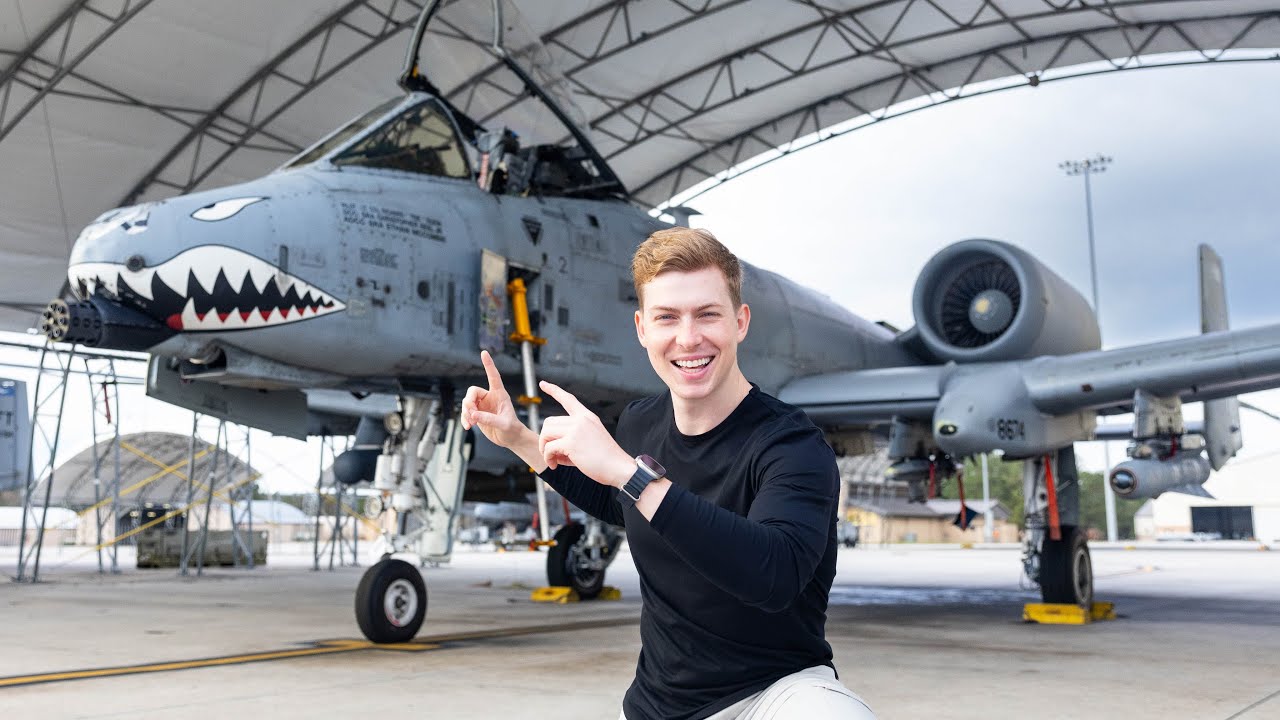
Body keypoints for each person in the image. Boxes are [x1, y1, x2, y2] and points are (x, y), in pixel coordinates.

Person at [461, 227, 875, 720]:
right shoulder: (641, 421)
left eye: (707, 314)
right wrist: (517, 439)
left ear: (740, 321)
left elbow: (775, 575)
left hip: (774, 695)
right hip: (656, 705)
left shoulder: (792, 444)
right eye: (667, 318)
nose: (688, 337)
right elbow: (618, 500)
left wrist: (629, 474)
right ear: (642, 329)